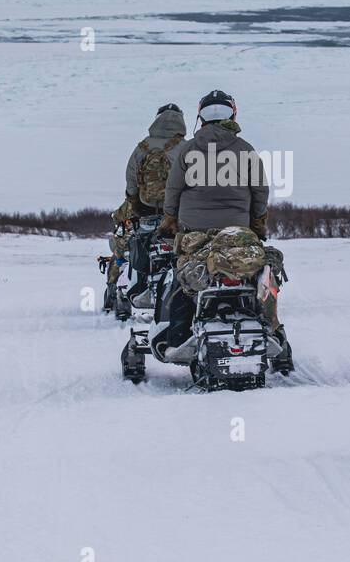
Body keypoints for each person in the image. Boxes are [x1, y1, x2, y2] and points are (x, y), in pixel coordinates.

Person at [158, 90, 290, 368]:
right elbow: (260, 192)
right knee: (259, 275)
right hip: (237, 232)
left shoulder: (187, 150)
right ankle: (274, 331)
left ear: (201, 116)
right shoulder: (245, 149)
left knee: (182, 278)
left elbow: (173, 190)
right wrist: (257, 225)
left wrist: (170, 219)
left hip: (194, 233)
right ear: (233, 113)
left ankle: (177, 338)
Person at [102, 103, 187, 307]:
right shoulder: (187, 148)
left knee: (135, 247)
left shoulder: (143, 147)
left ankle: (129, 289)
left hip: (146, 212)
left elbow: (131, 180)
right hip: (177, 215)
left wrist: (135, 205)